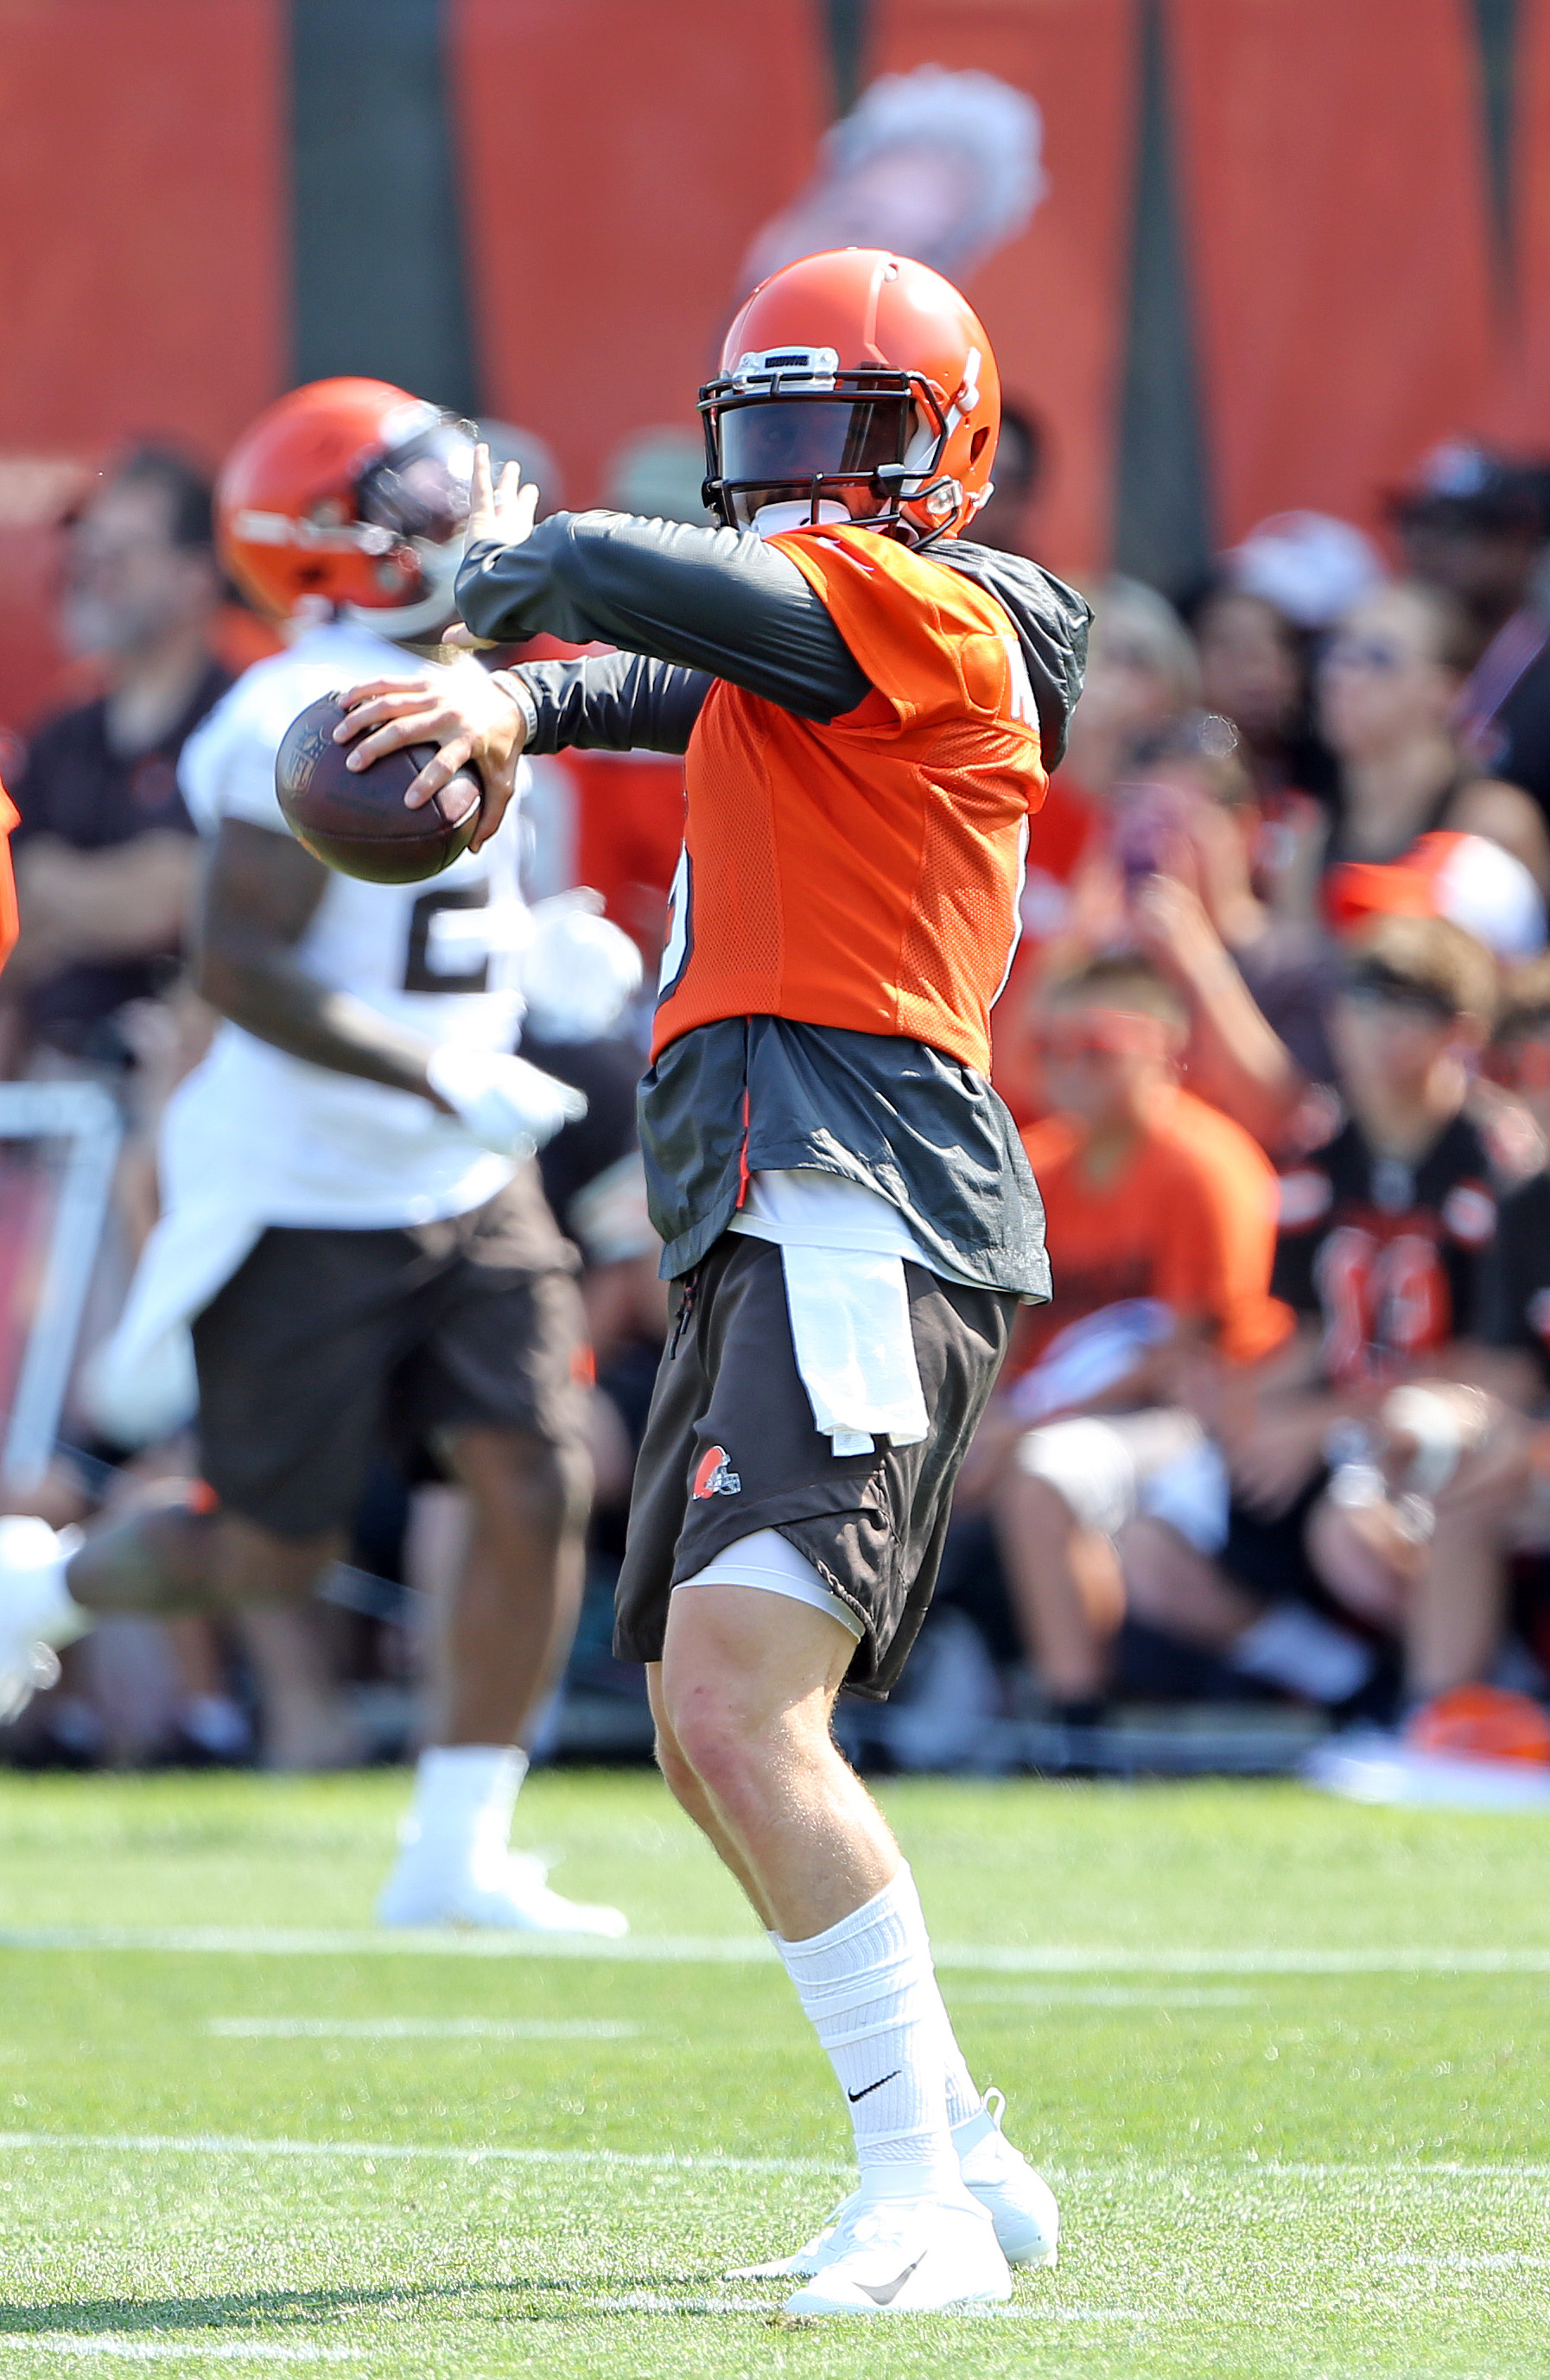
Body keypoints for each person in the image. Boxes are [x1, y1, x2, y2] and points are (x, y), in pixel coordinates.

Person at [331, 249, 1089, 2315]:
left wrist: (505, 562)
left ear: (946, 449)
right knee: (696, 1722)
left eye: (843, 434)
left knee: (747, 1711)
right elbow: (635, 670)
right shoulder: (817, 640)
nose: (802, 478)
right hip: (766, 1196)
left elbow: (614, 581)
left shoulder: (953, 612)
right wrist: (506, 690)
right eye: (772, 437)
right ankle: (961, 2144)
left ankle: (922, 2200)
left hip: (857, 1191)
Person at [0, 378, 626, 1936]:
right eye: (415, 497)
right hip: (305, 1182)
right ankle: (42, 1587)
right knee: (267, 1549)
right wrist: (437, 1065)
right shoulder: (297, 704)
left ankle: (457, 1843)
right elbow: (242, 965)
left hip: (465, 1175)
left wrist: (538, 964)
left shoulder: (471, 673)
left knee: (535, 1469)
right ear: (332, 547)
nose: (464, 509)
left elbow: (429, 923)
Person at [978, 956, 1293, 1734]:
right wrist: (982, 1422)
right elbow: (1005, 1333)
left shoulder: (1203, 1162)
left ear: (1161, 1049)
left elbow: (1181, 1355)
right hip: (1066, 1407)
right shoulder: (1038, 1165)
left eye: (1096, 1046)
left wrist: (1025, 1423)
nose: (1069, 1066)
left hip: (1194, 1417)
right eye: (1052, 1046)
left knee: (1046, 1474)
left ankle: (1075, 1721)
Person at [1, 448, 228, 1076]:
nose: (92, 569)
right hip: (51, 1084)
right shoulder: (56, 739)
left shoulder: (241, 721)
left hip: (181, 1081)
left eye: (124, 551)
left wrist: (52, 885)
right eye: (89, 547)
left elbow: (186, 897)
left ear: (197, 576)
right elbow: (11, 916)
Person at [1317, 581, 1550, 897]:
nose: (1339, 675)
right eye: (1334, 650)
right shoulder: (1312, 835)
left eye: (1379, 657)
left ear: (1447, 692)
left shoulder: (1492, 827)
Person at [1392, 442, 1550, 824]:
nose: (1426, 546)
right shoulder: (1393, 665)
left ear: (1521, 546)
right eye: (1417, 524)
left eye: (1456, 530)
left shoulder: (1541, 679)